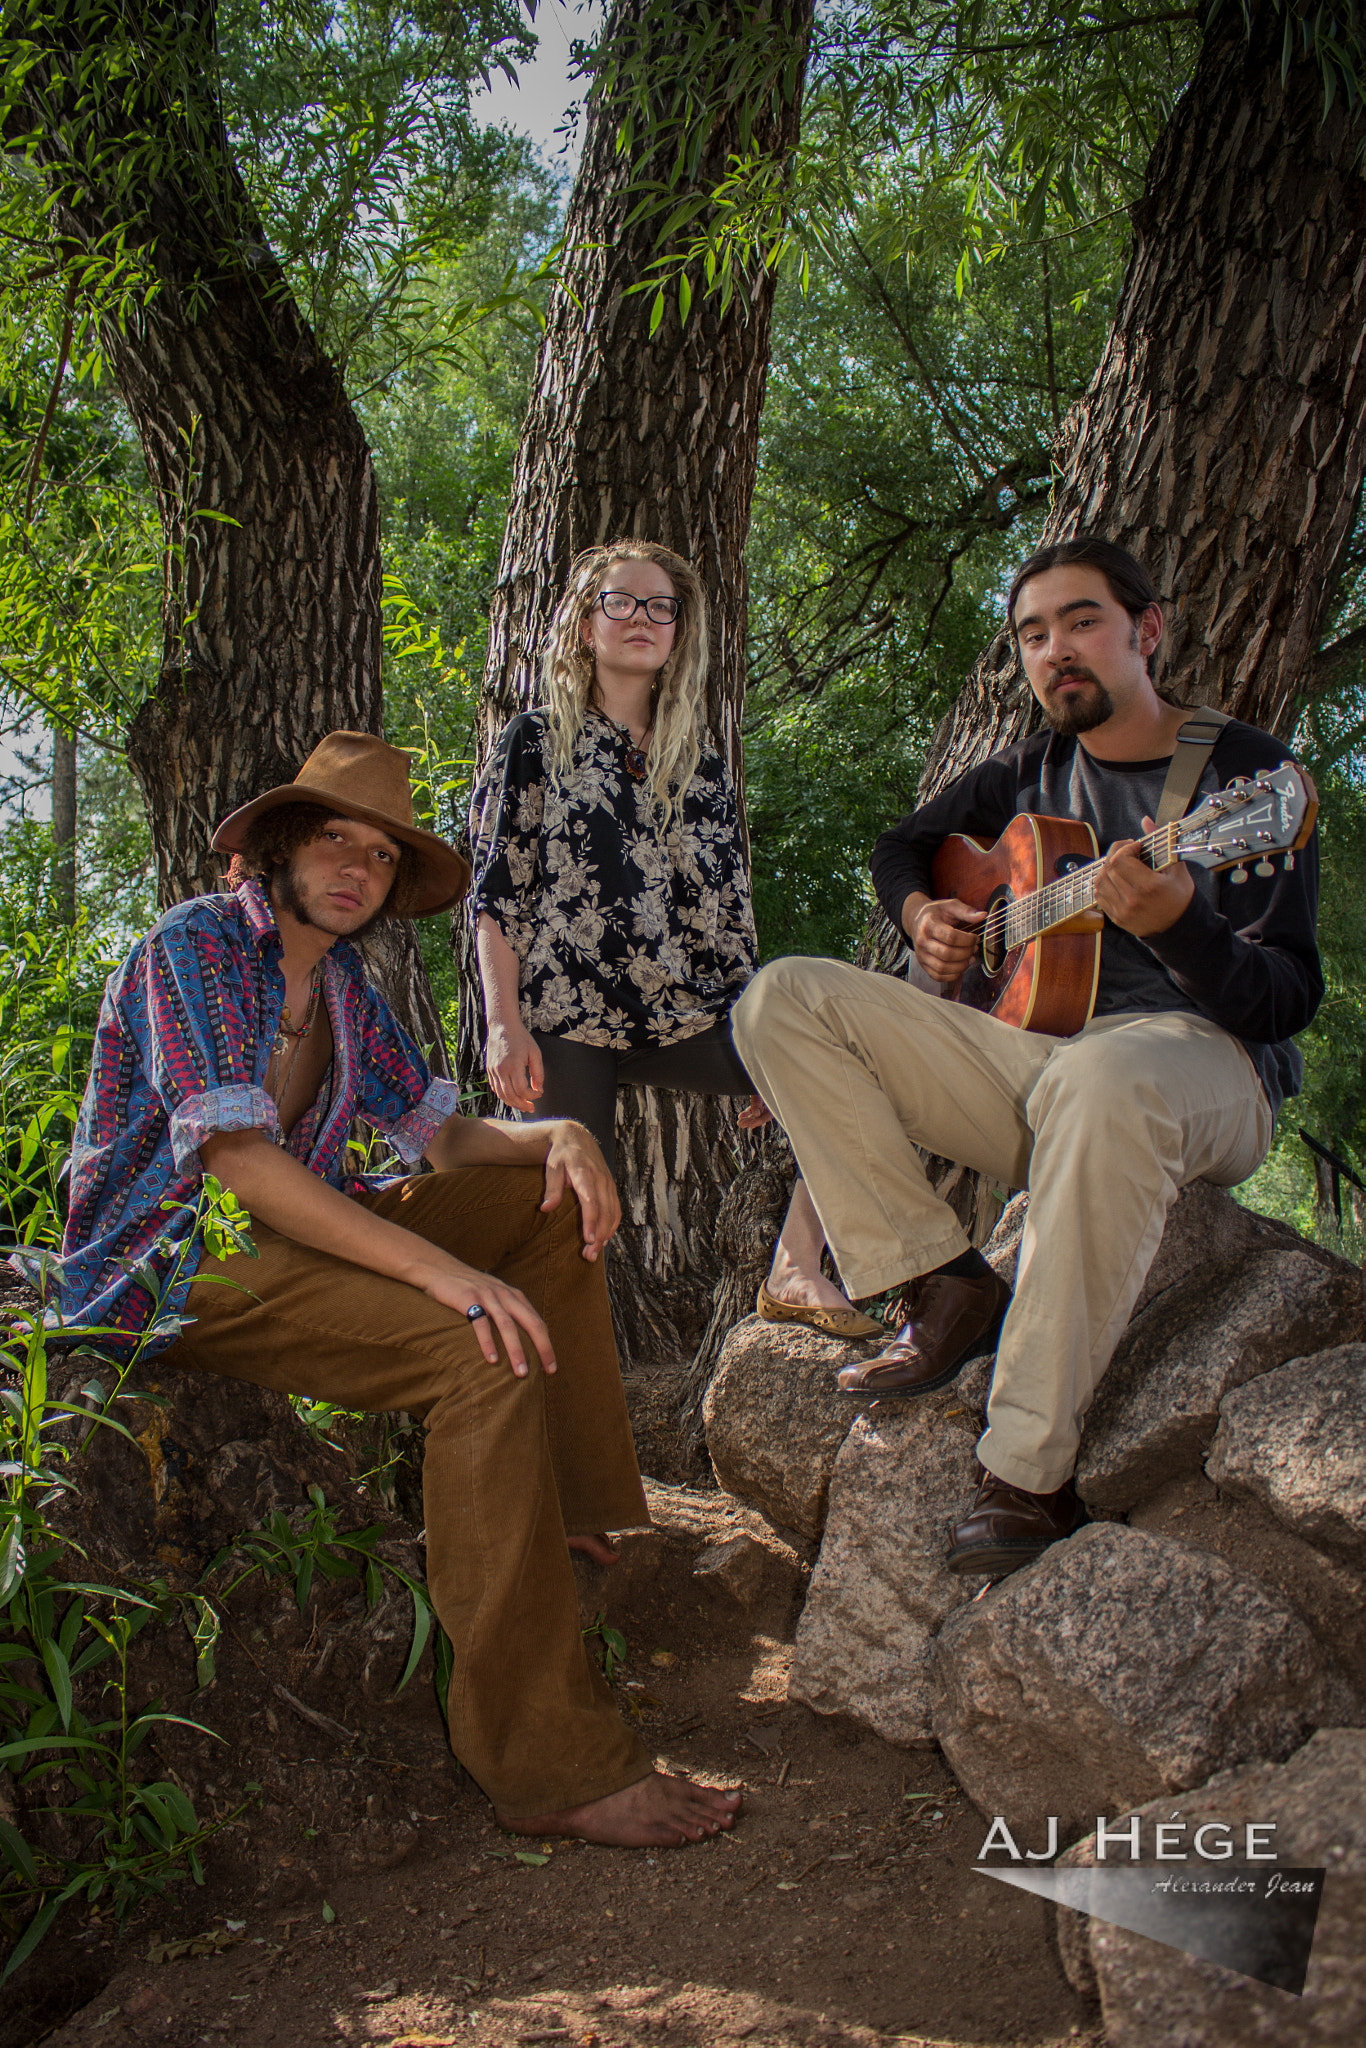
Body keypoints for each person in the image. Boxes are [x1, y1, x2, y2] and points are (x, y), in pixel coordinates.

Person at [58, 730, 741, 1847]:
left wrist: (559, 1133)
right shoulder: (192, 947)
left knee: (550, 1204)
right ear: (274, 847)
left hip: (311, 1233)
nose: (355, 867)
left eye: (379, 854)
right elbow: (234, 1163)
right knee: (472, 1348)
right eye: (332, 837)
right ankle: (546, 1764)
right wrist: (443, 1272)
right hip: (177, 1263)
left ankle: (558, 1513)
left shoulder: (344, 990)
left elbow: (441, 1135)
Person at [732, 537, 1322, 1576]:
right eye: (1032, 634)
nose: (1055, 651)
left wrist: (1184, 923)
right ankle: (941, 1281)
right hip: (1037, 1065)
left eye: (1081, 622)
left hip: (1201, 1069)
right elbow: (901, 847)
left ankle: (1023, 1473)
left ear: (1146, 631)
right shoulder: (1028, 771)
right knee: (783, 995)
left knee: (1107, 1076)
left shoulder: (1245, 780)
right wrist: (924, 917)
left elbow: (1283, 1000)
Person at [468, 538, 882, 1338]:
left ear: (678, 632)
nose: (642, 619)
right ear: (585, 626)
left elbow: (729, 921)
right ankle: (549, 1410)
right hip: (564, 1019)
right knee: (564, 1225)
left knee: (850, 1066)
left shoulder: (705, 766)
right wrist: (502, 1022)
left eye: (661, 606)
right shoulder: (537, 740)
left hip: (686, 1018)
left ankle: (799, 1265)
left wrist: (770, 1046)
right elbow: (498, 894)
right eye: (619, 602)